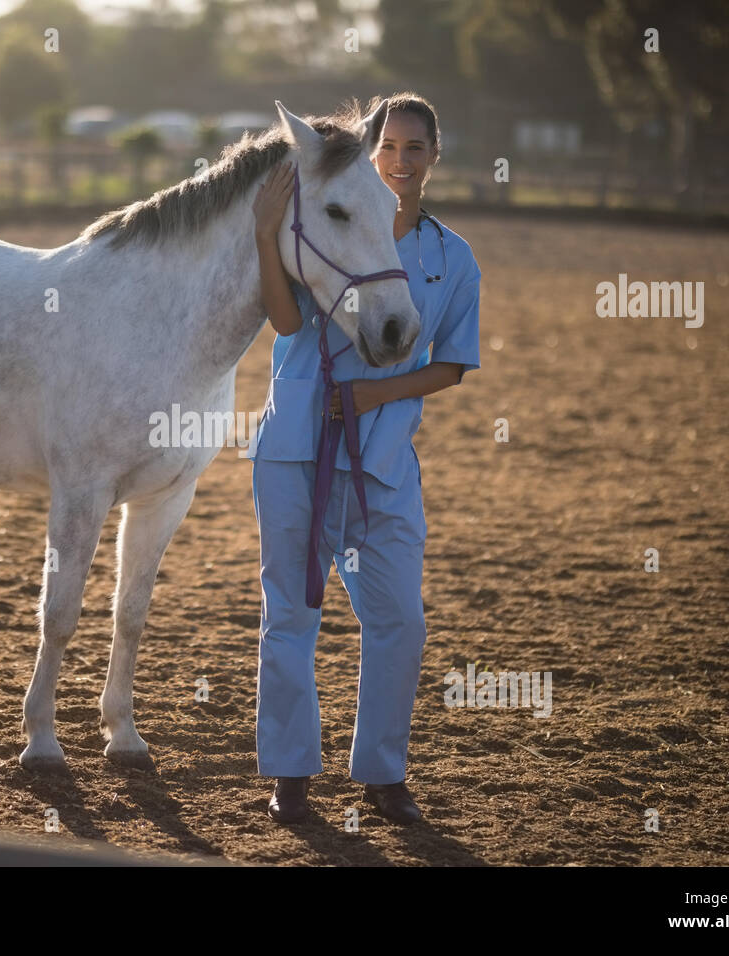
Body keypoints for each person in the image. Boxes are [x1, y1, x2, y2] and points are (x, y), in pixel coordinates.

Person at [249, 93, 481, 825]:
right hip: (295, 447)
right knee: (290, 614)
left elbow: (452, 365)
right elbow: (286, 322)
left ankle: (382, 775)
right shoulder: (334, 219)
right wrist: (263, 237)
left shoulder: (453, 258)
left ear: (434, 158)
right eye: (388, 147)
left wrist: (376, 399)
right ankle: (289, 774)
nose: (400, 161)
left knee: (400, 622)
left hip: (383, 462)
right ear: (368, 154)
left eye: (416, 148)